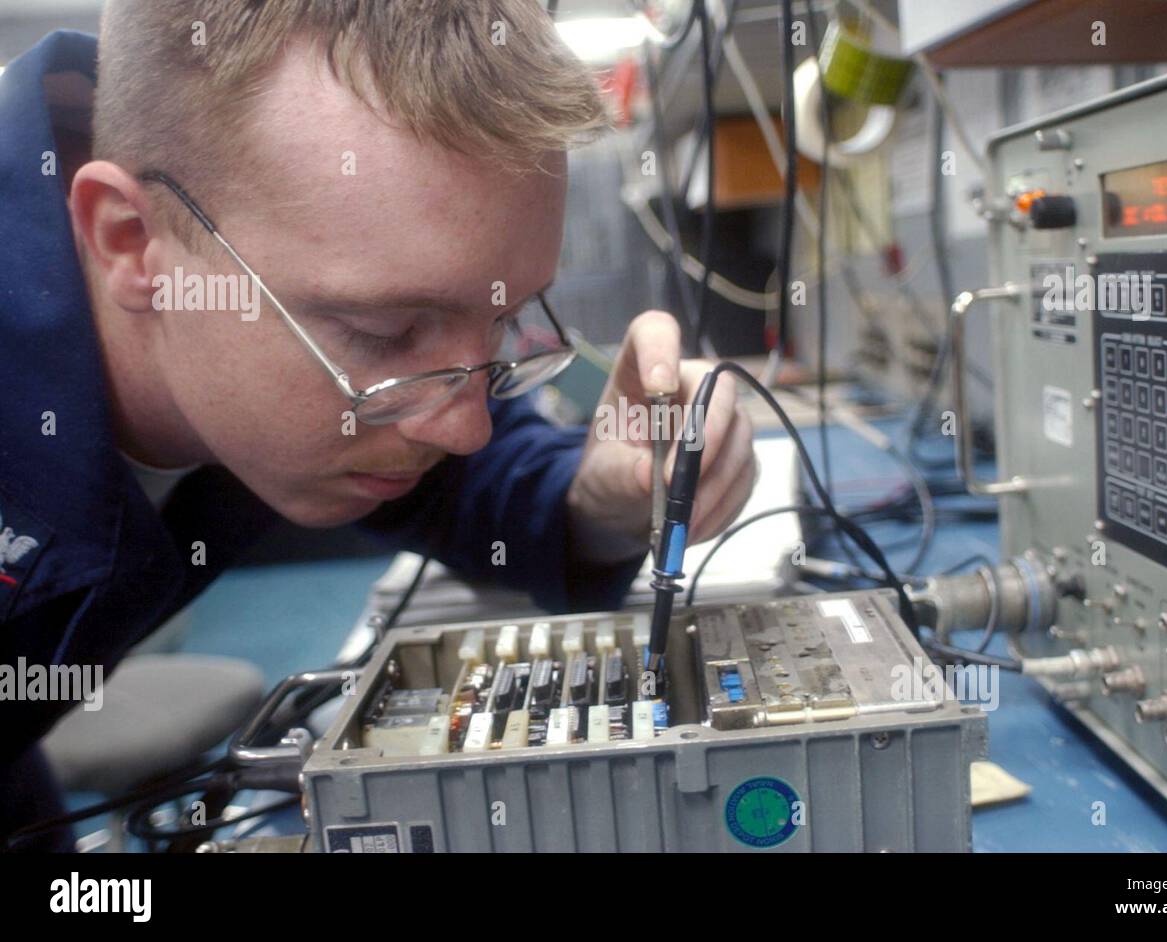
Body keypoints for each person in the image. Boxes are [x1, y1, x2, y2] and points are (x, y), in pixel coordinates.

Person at [0, 0, 755, 850]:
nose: (463, 428)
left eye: (500, 323)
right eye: (388, 335)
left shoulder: (256, 276)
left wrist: (604, 493)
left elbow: (486, 479)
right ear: (132, 240)